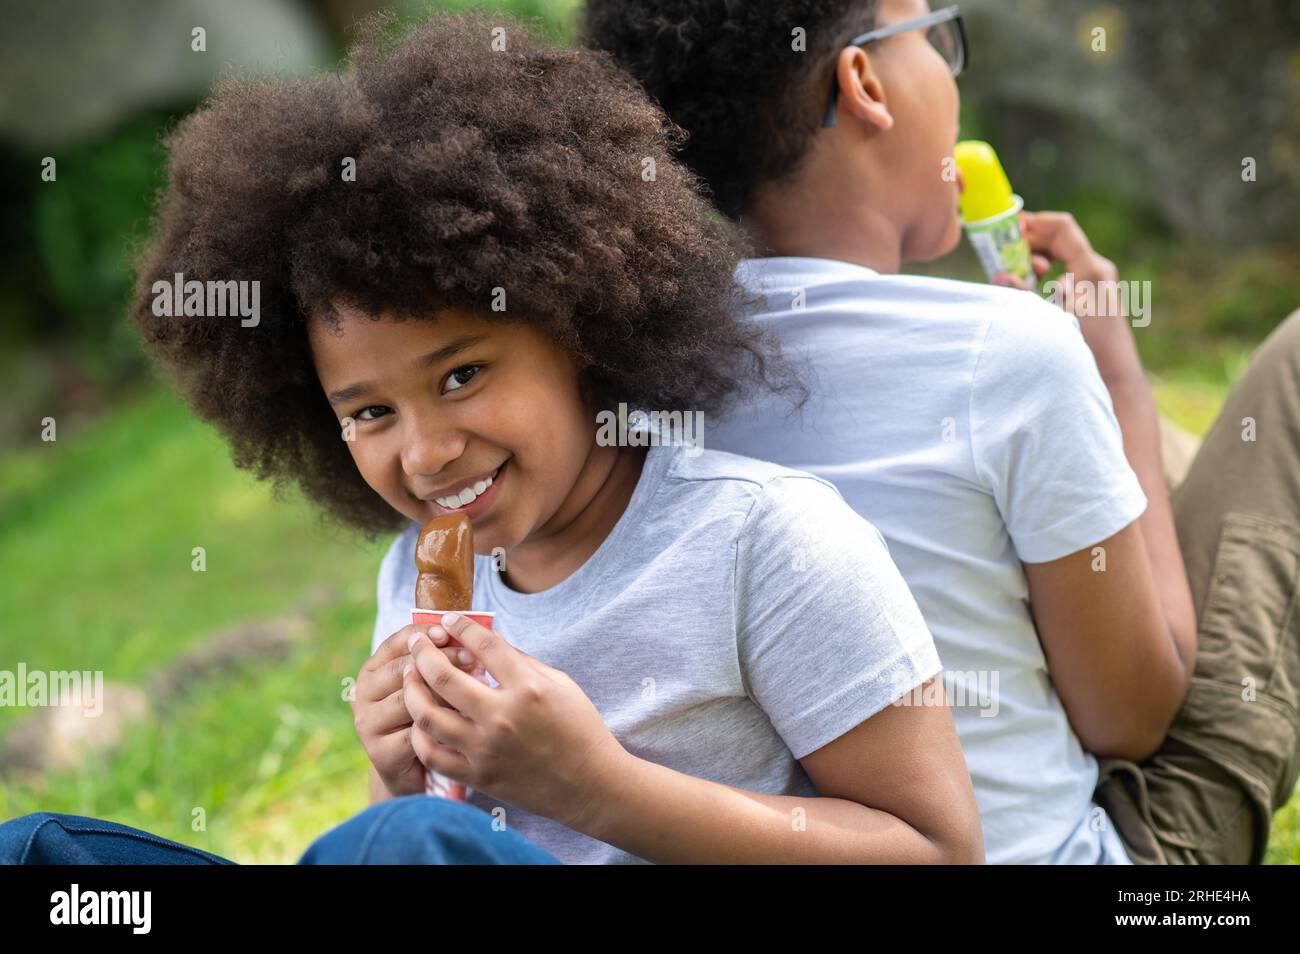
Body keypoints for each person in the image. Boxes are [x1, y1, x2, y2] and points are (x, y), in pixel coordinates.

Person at [0, 10, 983, 865]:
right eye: (370, 413)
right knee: (41, 853)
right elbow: (430, 832)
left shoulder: (762, 544)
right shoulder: (413, 580)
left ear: (582, 324)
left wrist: (599, 788)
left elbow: (938, 851)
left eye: (462, 375)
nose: (424, 453)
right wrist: (399, 775)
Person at [584, 0, 1300, 863]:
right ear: (864, 81)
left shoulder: (617, 383)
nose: (949, 69)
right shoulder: (1012, 356)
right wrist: (1116, 381)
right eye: (935, 35)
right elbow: (1134, 719)